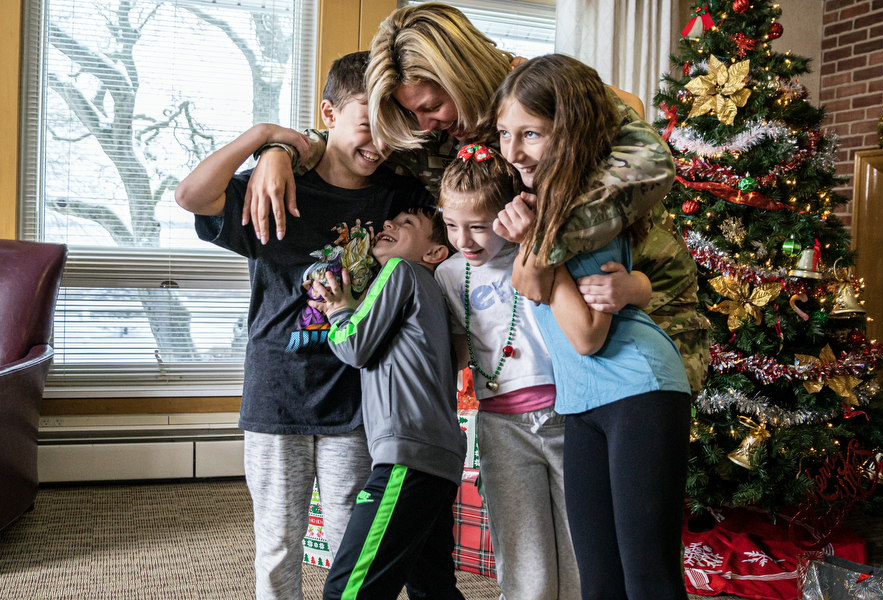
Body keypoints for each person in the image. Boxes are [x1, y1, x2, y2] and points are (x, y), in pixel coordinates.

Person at [240, 4, 713, 395]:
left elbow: (650, 163)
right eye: (412, 111)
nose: (426, 123)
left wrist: (543, 246)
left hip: (631, 292)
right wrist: (280, 149)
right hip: (535, 327)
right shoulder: (427, 132)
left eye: (432, 105)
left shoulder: (540, 88)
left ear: (461, 72)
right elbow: (350, 144)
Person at [173, 52, 433, 600]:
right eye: (367, 126)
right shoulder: (279, 182)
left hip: (358, 398)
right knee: (278, 544)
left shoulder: (398, 194)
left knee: (351, 545)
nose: (379, 145)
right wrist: (267, 137)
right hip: (278, 397)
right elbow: (191, 196)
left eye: (390, 130)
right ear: (328, 113)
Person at [492, 54, 692, 600]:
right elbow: (525, 278)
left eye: (531, 134)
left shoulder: (592, 209)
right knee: (599, 581)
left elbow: (585, 334)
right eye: (505, 134)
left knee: (648, 577)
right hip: (581, 403)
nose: (513, 152)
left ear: (571, 131)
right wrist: (533, 245)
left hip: (638, 388)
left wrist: (537, 246)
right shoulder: (545, 205)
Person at [435, 144, 580, 600]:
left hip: (566, 413)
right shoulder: (448, 274)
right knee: (522, 550)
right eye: (452, 226)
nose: (465, 239)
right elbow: (459, 347)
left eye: (478, 226)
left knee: (579, 544)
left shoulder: (538, 251)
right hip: (500, 424)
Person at [307, 206, 465, 600]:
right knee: (433, 587)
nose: (389, 224)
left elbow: (354, 345)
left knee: (348, 590)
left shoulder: (401, 271)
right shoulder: (436, 298)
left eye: (407, 223)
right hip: (439, 460)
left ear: (434, 253)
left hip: (406, 456)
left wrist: (340, 311)